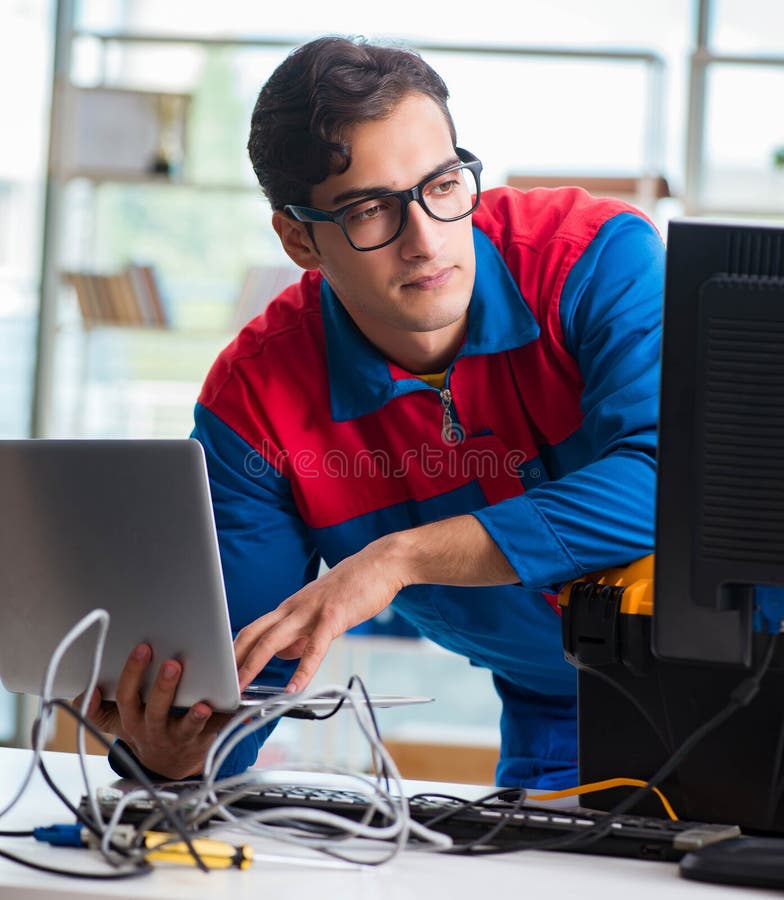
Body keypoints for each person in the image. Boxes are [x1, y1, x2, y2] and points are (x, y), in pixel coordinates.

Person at [87, 35, 664, 789]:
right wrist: (171, 751)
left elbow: (668, 490)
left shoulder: (594, 259)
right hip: (560, 717)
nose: (426, 241)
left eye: (444, 184)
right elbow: (241, 692)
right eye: (369, 210)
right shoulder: (254, 403)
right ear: (299, 239)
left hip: (757, 677)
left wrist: (397, 559)